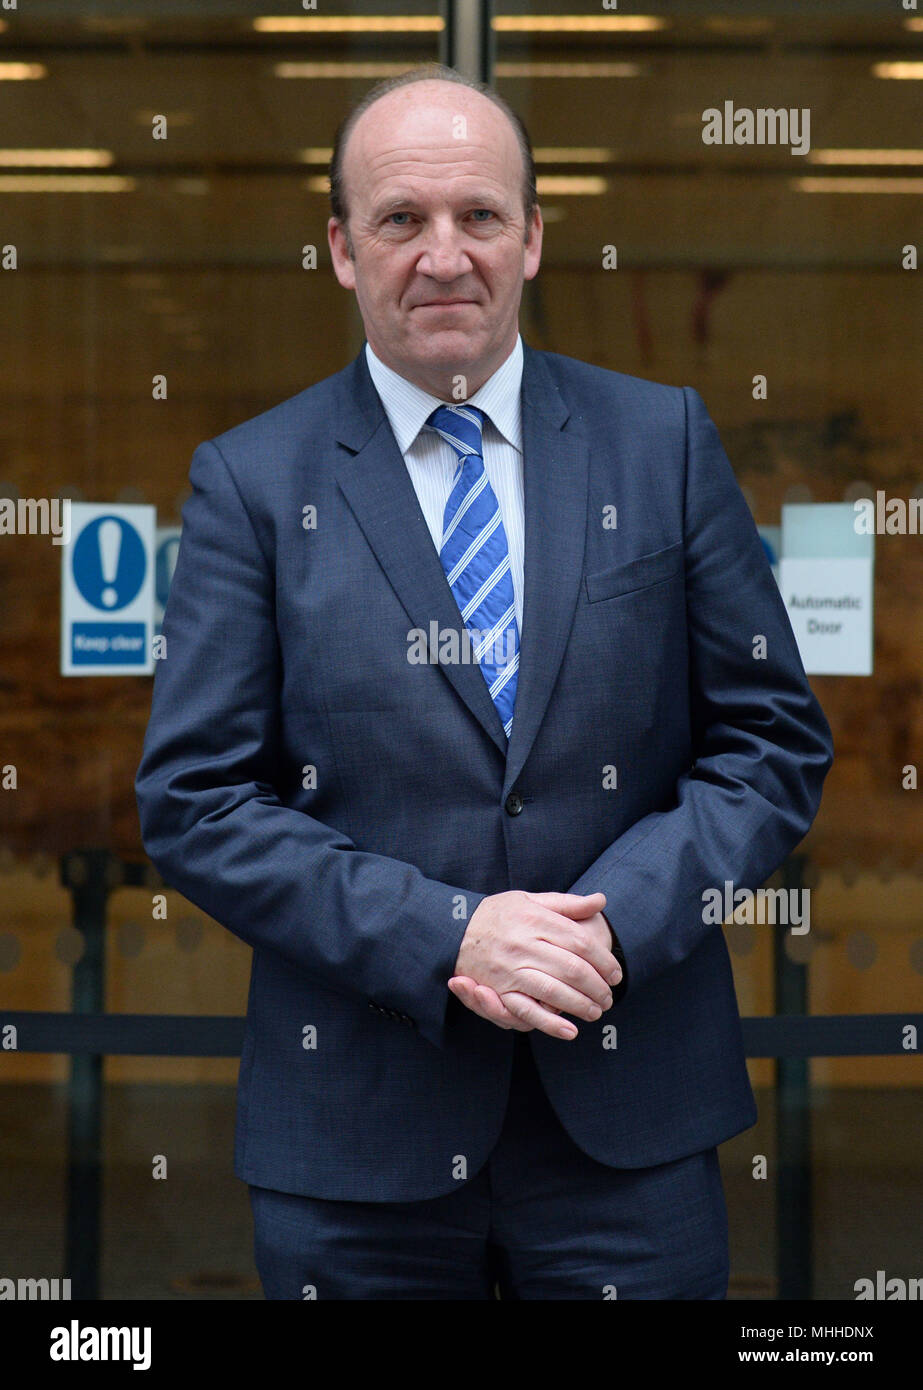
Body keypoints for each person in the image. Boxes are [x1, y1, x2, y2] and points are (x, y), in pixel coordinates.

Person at [135, 63, 834, 1300]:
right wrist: (452, 931)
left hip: (626, 1133)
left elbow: (771, 742)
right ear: (344, 251)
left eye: (478, 216)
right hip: (358, 1146)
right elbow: (197, 801)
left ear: (533, 239)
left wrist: (604, 923)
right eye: (402, 220)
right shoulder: (251, 483)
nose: (443, 254)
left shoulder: (660, 443)